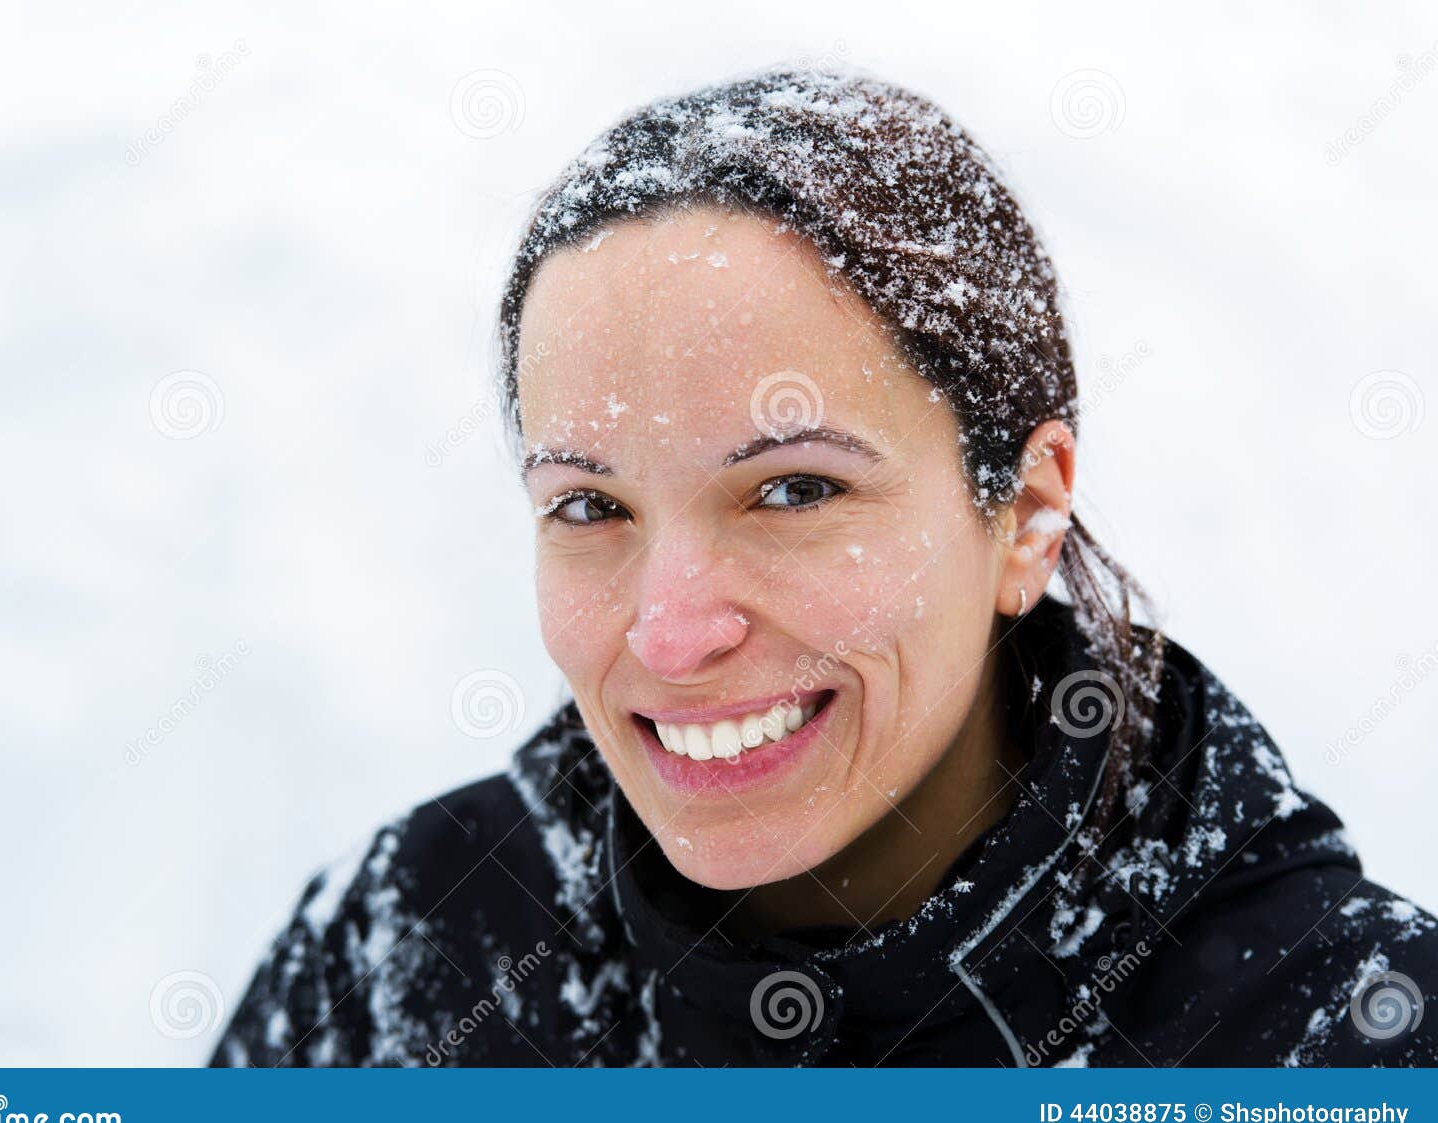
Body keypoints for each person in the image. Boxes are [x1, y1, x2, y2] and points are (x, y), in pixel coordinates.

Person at [211, 66, 1436, 1067]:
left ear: (1025, 512)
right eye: (589, 506)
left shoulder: (1342, 1047)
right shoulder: (405, 962)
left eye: (794, 489)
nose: (671, 632)